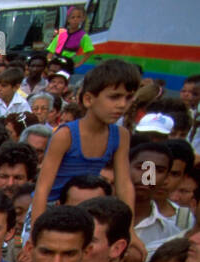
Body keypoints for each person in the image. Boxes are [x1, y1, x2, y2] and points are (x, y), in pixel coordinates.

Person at [31, 59, 137, 227]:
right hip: (51, 208)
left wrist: (129, 228)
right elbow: (43, 187)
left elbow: (124, 184)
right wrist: (37, 229)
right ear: (88, 99)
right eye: (114, 97)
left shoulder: (121, 136)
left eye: (128, 98)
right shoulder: (66, 135)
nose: (122, 105)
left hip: (89, 210)